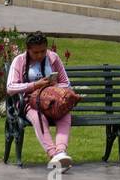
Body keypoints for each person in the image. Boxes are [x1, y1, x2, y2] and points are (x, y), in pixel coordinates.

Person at [6, 32, 76, 168]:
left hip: (52, 100)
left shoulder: (53, 58)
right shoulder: (19, 61)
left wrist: (52, 86)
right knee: (38, 117)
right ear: (28, 49)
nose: (39, 55)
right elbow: (10, 87)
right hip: (29, 103)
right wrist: (35, 85)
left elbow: (66, 82)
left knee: (64, 114)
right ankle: (53, 154)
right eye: (35, 52)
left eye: (43, 51)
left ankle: (61, 151)